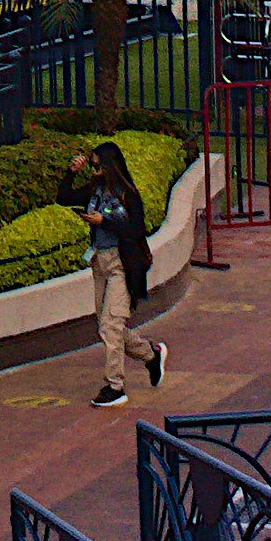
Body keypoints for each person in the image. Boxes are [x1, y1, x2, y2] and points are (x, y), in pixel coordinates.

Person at [82, 145, 165, 406]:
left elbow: (137, 228)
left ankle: (115, 386)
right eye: (92, 167)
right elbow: (63, 197)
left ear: (110, 167)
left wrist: (104, 222)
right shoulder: (94, 189)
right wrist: (71, 174)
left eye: (98, 167)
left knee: (110, 325)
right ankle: (150, 356)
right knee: (108, 326)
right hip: (99, 262)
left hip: (122, 263)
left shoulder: (127, 194)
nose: (95, 172)